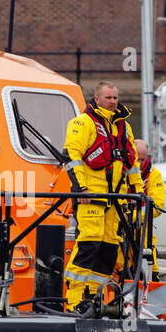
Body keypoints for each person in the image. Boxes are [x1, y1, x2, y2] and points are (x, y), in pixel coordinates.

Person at [63, 82, 143, 312]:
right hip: (92, 195)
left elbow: (132, 162)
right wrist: (81, 190)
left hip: (116, 198)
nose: (113, 101)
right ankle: (75, 298)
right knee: (89, 242)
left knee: (109, 248)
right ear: (96, 99)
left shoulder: (123, 127)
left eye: (115, 97)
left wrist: (137, 191)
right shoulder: (82, 122)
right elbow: (72, 155)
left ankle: (94, 296)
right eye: (108, 97)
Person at [133, 140, 166, 281]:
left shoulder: (154, 175)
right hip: (118, 229)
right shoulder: (121, 171)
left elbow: (157, 207)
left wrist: (132, 216)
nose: (139, 163)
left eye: (143, 159)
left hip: (142, 230)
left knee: (149, 263)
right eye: (137, 159)